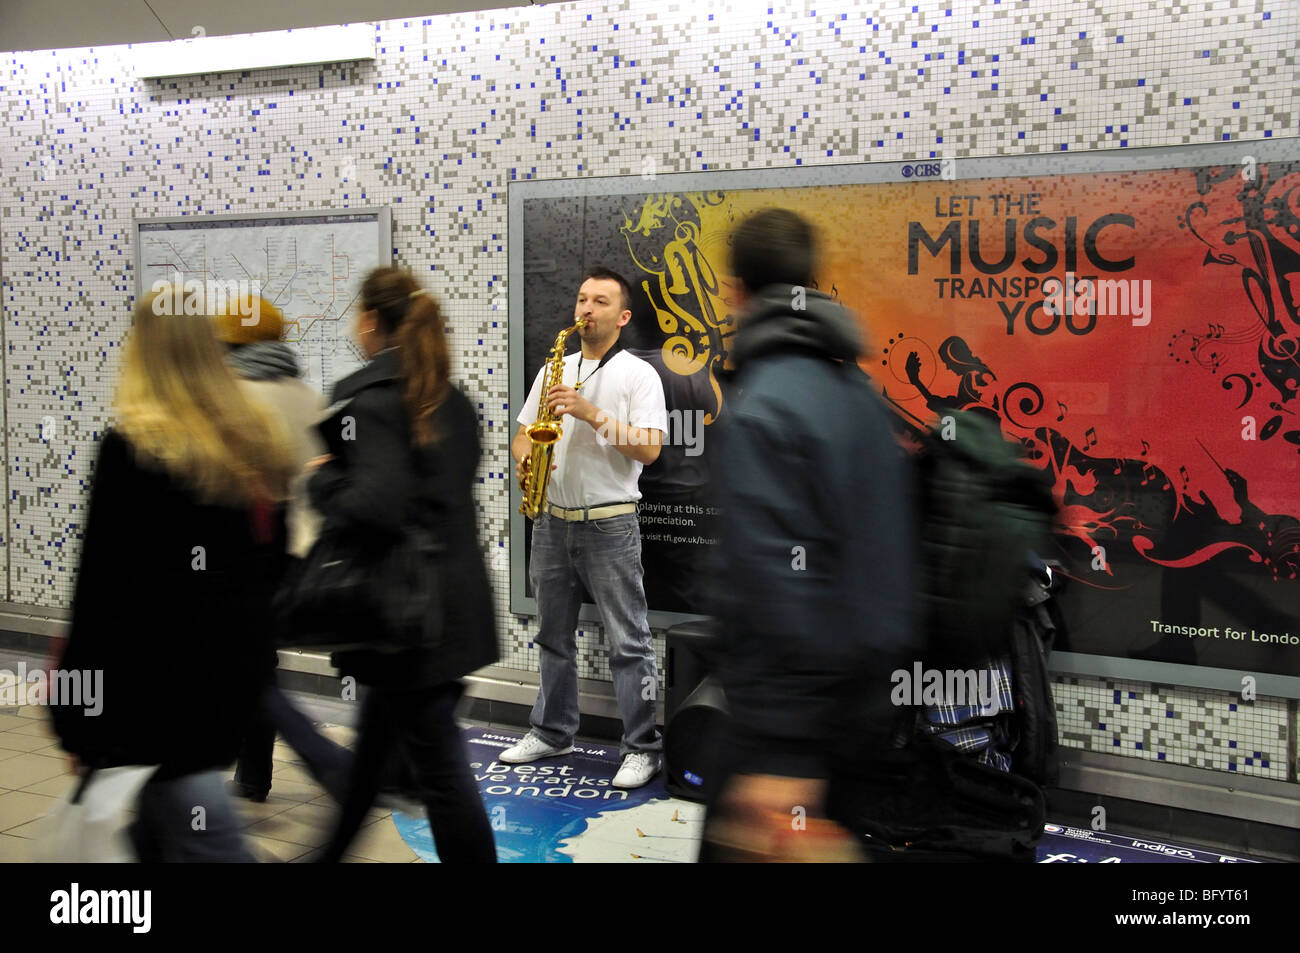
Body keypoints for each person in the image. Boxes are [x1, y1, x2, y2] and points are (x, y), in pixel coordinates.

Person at [701, 209, 917, 861]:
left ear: (736, 290)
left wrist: (782, 746)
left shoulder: (764, 405)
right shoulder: (856, 392)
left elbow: (777, 576)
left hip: (788, 725)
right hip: (865, 702)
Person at [51, 287, 296, 862]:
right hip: (217, 697)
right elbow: (262, 579)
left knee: (205, 840)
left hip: (147, 702)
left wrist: (78, 714)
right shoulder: (249, 444)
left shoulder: (134, 448)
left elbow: (101, 599)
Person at [312, 267, 498, 863]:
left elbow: (375, 506)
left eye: (356, 318)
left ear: (371, 322)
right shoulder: (452, 400)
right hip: (446, 612)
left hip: (407, 625)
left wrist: (322, 481)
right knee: (375, 761)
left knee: (441, 774)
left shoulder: (373, 405)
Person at [505, 267, 668, 789]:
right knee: (553, 637)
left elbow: (648, 447)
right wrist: (525, 461)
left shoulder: (638, 375)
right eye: (581, 300)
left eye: (599, 302)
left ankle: (643, 747)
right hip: (552, 521)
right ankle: (552, 732)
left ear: (621, 318)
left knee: (630, 643)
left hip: (610, 525)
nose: (585, 310)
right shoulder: (555, 368)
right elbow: (525, 435)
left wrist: (592, 413)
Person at [212, 296, 352, 805]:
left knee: (239, 666)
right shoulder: (306, 395)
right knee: (254, 663)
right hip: (301, 556)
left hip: (245, 553)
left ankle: (312, 755)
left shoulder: (230, 397)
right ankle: (253, 775)